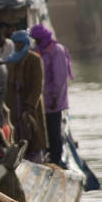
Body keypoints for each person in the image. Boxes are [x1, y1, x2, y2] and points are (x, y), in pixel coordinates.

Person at [30, 23, 72, 166]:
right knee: (44, 129)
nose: (35, 42)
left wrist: (54, 97)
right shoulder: (38, 50)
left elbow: (60, 78)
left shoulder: (56, 50)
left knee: (54, 129)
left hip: (54, 99)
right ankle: (47, 156)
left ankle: (56, 159)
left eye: (37, 39)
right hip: (42, 99)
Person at [4, 30, 46, 162]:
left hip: (29, 103)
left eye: (21, 44)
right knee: (16, 132)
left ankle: (37, 160)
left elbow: (37, 85)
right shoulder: (11, 60)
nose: (18, 46)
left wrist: (29, 106)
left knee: (33, 132)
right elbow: (8, 85)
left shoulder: (34, 59)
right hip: (15, 103)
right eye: (16, 44)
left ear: (26, 43)